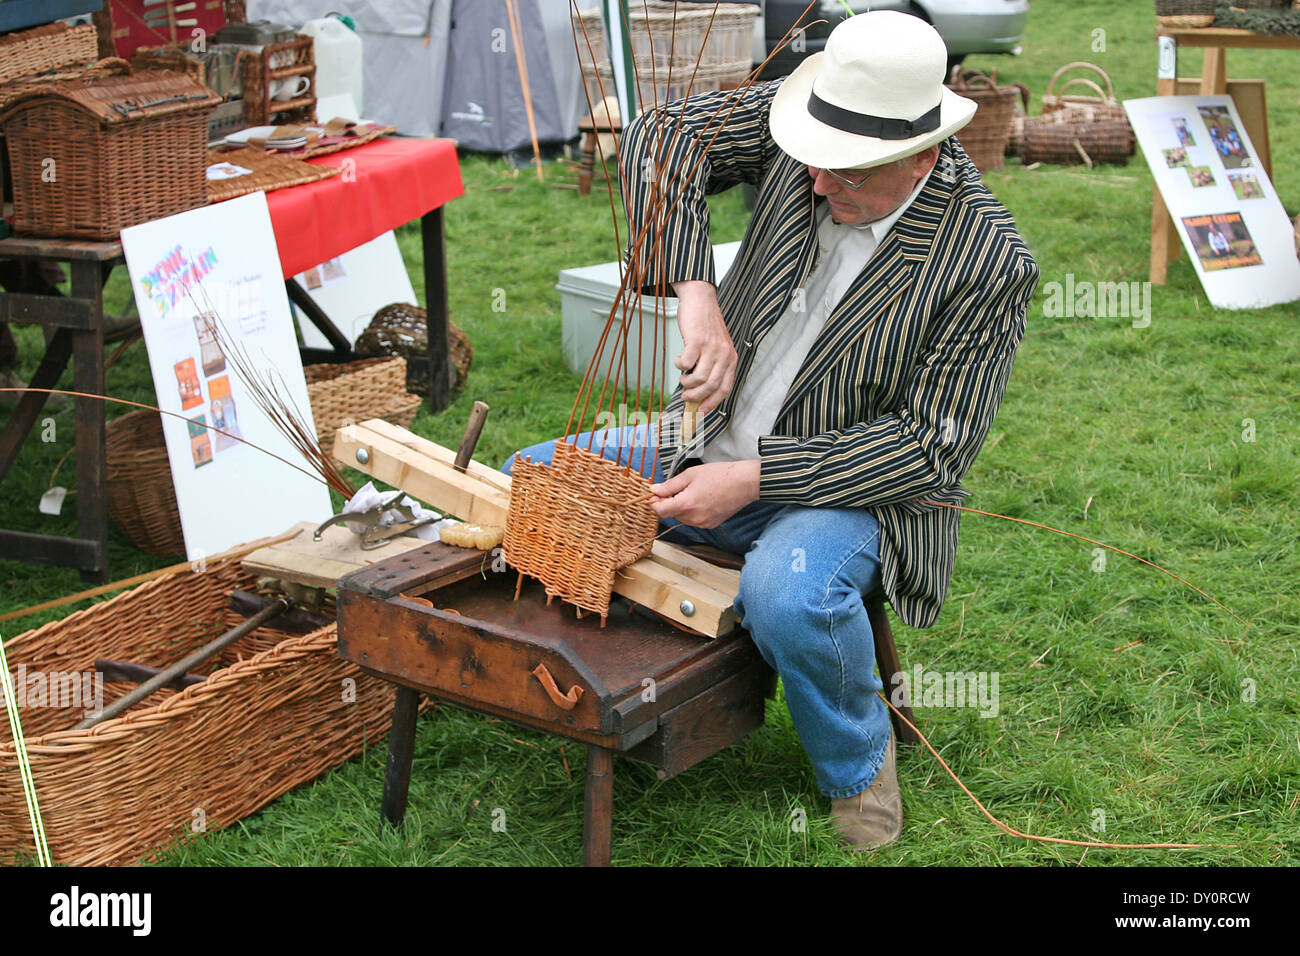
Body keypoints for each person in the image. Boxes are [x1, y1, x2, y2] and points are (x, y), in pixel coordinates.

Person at [507, 11, 1038, 850]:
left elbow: (928, 447)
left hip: (849, 492)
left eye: (846, 178)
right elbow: (659, 134)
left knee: (787, 592)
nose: (816, 184)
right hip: (708, 440)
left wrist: (755, 480)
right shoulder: (811, 132)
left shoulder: (986, 262)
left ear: (922, 158)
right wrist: (695, 291)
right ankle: (590, 693)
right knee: (532, 479)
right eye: (814, 165)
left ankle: (857, 768)